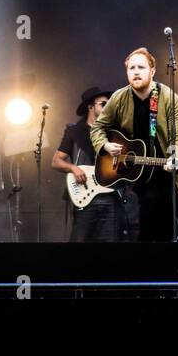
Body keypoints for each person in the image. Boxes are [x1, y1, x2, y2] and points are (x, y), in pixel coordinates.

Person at [90, 47, 178, 241]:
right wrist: (106, 146)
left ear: (152, 71)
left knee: (166, 232)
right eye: (131, 68)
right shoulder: (119, 97)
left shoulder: (169, 97)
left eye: (141, 67)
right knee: (145, 232)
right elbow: (97, 127)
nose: (136, 72)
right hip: (139, 176)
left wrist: (176, 157)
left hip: (167, 175)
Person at [52, 86, 128, 241]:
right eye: (103, 104)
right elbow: (56, 161)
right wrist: (73, 168)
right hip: (85, 196)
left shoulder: (115, 132)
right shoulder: (75, 132)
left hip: (111, 197)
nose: (108, 107)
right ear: (90, 107)